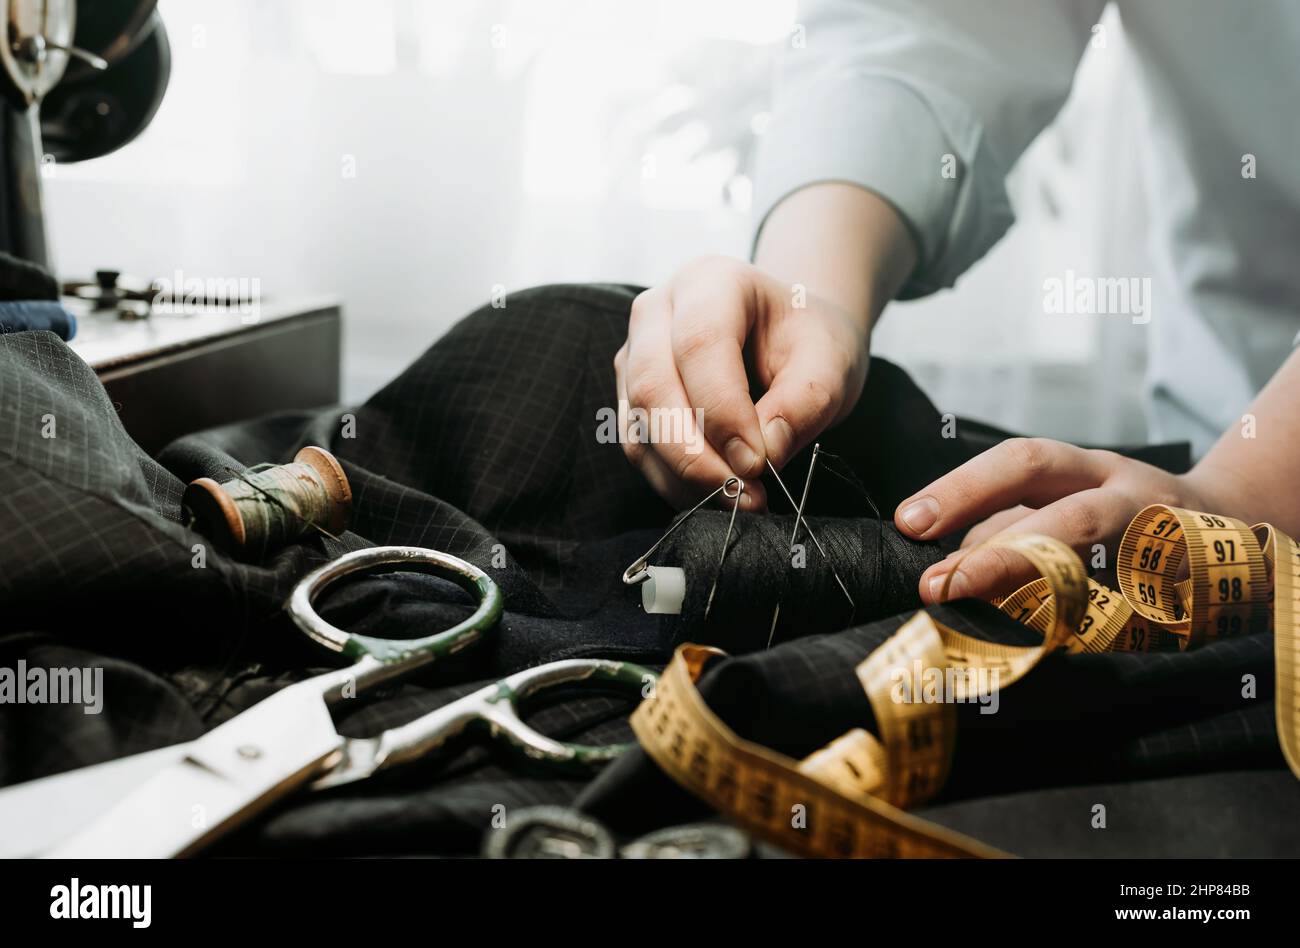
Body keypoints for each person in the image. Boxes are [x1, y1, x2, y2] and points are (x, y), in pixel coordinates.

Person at [613, 0, 1300, 605]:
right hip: (1203, 468)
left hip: (1214, 528)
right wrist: (810, 295)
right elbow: (933, 21)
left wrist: (1247, 499)